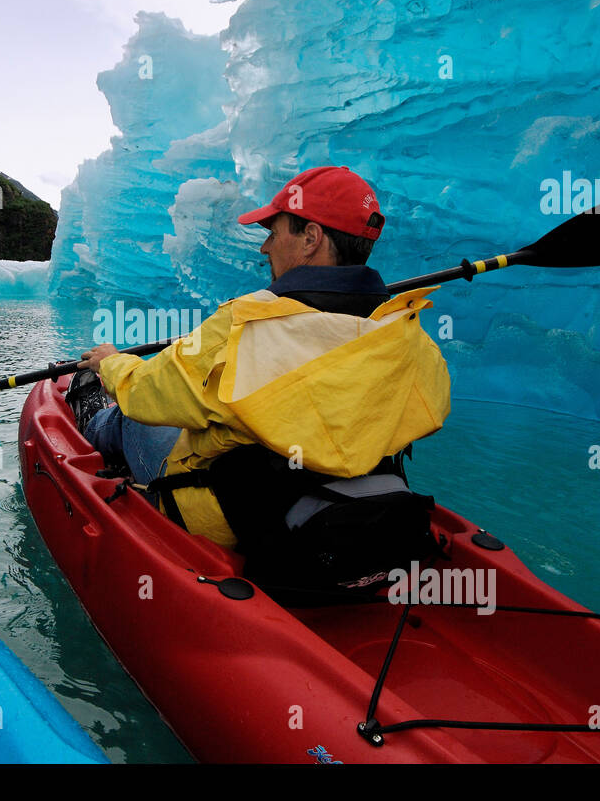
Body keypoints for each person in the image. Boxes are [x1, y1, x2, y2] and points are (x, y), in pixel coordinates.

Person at [68, 166, 451, 594]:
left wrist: (112, 364)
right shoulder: (405, 333)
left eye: (274, 231)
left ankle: (93, 420)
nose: (265, 247)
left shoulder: (247, 323)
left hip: (231, 516)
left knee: (132, 414)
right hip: (362, 504)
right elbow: (432, 409)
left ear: (311, 237)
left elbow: (150, 393)